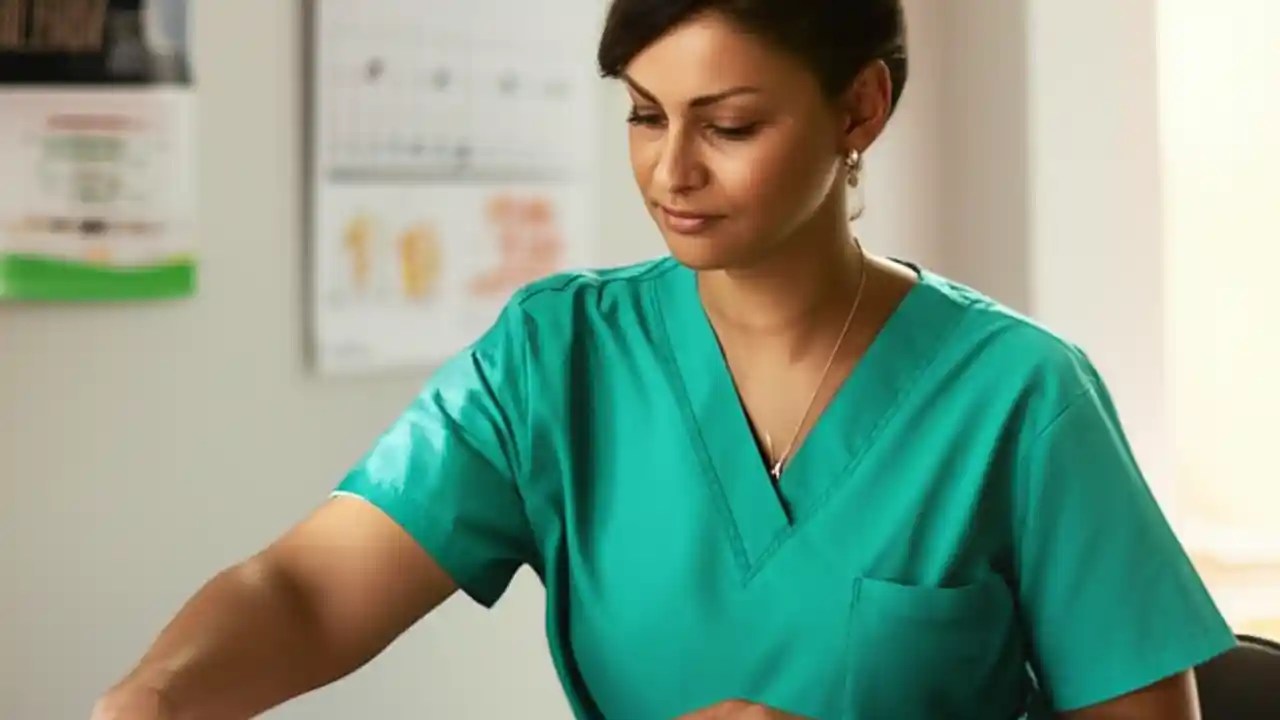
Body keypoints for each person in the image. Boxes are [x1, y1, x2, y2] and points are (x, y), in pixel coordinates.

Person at [93, 1, 1237, 718]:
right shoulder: (555, 359)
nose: (668, 170)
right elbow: (305, 588)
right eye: (644, 115)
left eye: (727, 124)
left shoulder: (1019, 400)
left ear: (859, 110)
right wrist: (158, 694)